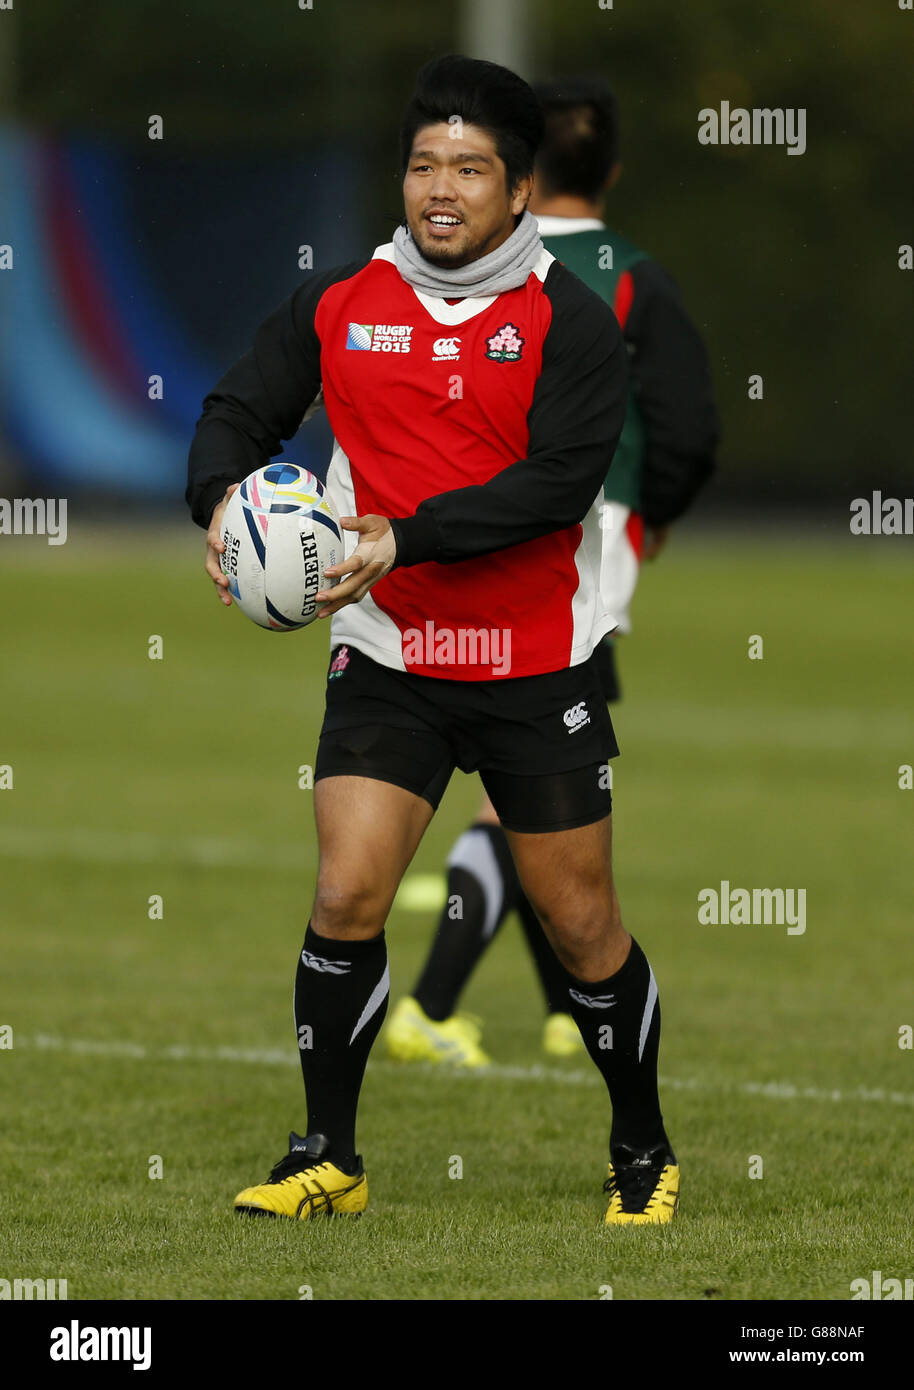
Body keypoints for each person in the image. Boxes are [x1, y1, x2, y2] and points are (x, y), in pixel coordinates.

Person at [187, 54, 679, 1225]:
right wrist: (218, 501)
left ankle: (641, 1150)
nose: (438, 189)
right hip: (387, 652)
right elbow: (237, 409)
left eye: (469, 168)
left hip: (529, 663)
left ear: (518, 191)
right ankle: (326, 1156)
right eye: (421, 165)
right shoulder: (342, 301)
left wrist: (400, 537)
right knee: (347, 889)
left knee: (579, 923)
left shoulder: (568, 321)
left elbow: (556, 488)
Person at [385, 76, 720, 1068]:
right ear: (609, 168)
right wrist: (649, 512)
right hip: (572, 548)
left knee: (527, 775)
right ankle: (431, 1004)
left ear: (518, 174)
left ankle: (566, 1007)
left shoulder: (459, 263)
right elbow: (688, 430)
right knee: (528, 787)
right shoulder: (624, 275)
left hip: (442, 532)